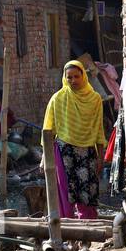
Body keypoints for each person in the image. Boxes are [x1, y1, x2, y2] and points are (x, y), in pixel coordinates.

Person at [43, 59, 107, 220]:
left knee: (87, 191)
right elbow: (48, 130)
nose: (73, 81)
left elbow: (99, 129)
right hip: (64, 151)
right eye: (69, 77)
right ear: (64, 78)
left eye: (76, 76)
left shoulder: (95, 99)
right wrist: (45, 156)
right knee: (65, 192)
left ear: (83, 76)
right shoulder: (58, 99)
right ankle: (67, 231)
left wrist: (101, 157)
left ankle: (87, 232)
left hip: (87, 152)